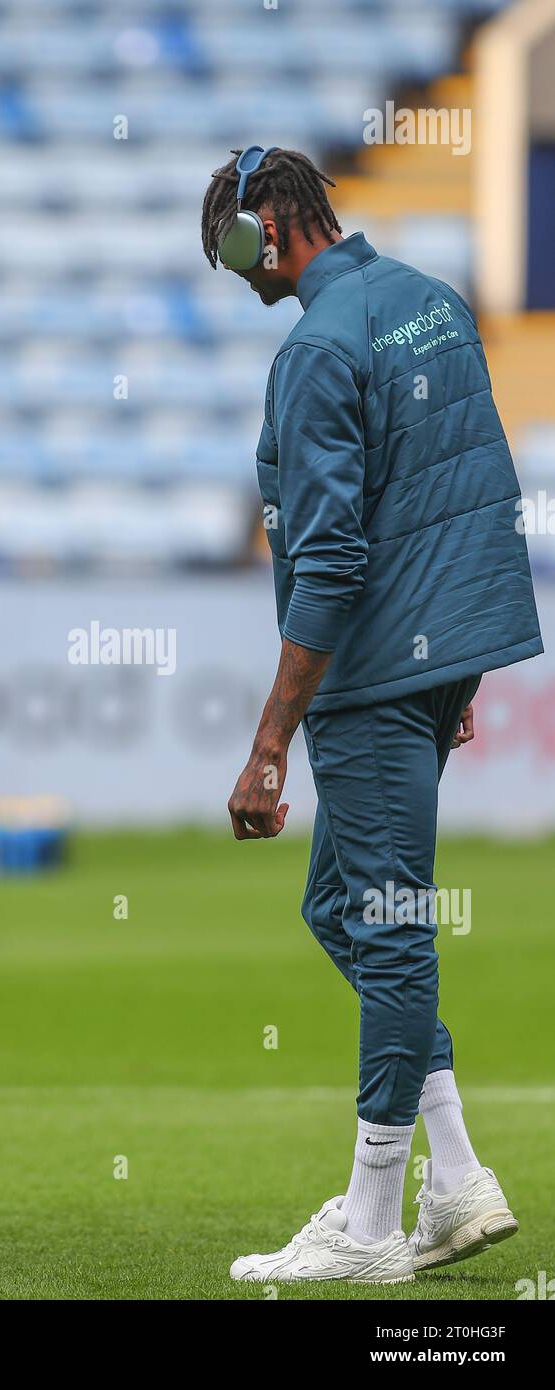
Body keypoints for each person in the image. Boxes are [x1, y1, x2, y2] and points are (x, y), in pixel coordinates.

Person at [201, 147, 542, 1283]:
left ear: (262, 228)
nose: (235, 275)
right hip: (432, 657)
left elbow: (328, 552)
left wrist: (267, 741)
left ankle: (365, 1224)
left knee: (388, 928)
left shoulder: (313, 345)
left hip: (368, 674)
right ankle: (452, 1181)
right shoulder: (434, 303)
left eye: (230, 251)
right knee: (339, 908)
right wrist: (458, 672)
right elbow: (471, 493)